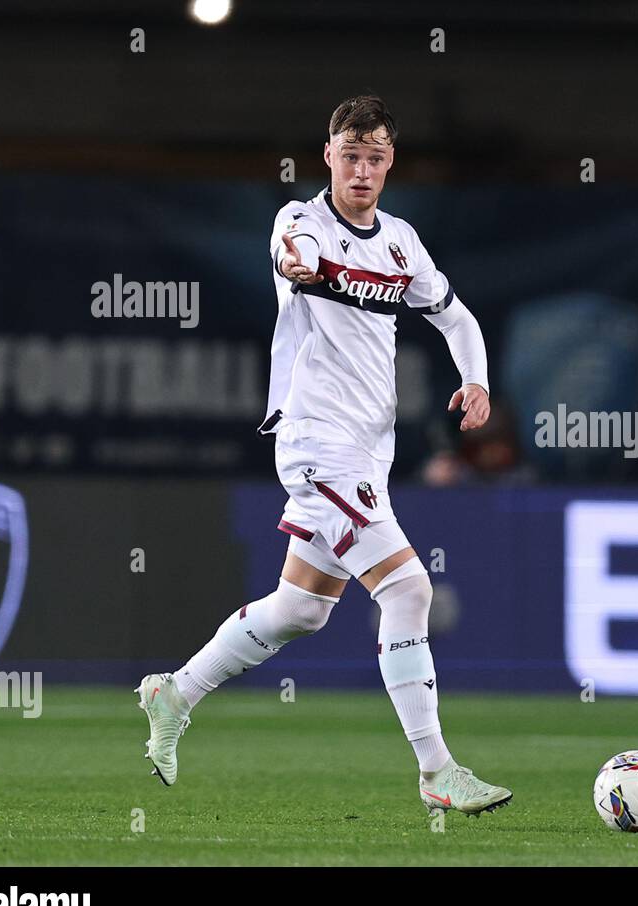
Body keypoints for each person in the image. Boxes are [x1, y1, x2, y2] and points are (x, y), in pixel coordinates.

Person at [135, 94, 512, 816]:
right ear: (329, 156)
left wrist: (476, 380)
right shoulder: (301, 220)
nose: (362, 170)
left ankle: (174, 692)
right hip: (317, 442)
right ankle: (436, 769)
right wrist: (301, 263)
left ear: (389, 161)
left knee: (300, 609)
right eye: (350, 155)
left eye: (375, 157)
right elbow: (292, 255)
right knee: (409, 591)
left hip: (368, 452)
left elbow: (455, 316)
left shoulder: (401, 242)